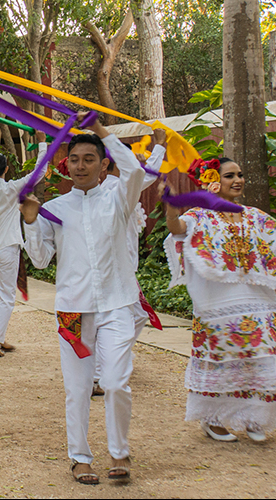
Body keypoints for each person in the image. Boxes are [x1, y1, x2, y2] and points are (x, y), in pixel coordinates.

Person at [22, 112, 145, 484]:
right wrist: (31, 221)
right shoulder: (56, 209)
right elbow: (40, 259)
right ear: (67, 164)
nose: (80, 165)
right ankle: (79, 458)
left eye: (89, 159)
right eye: (74, 159)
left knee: (115, 382)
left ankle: (119, 452)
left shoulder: (119, 199)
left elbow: (134, 171)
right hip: (73, 309)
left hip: (117, 304)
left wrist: (100, 131)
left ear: (104, 164)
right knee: (77, 389)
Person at [163, 157, 276, 443]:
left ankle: (254, 416)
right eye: (229, 176)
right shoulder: (200, 216)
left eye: (240, 174)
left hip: (256, 301)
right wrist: (171, 206)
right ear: (213, 181)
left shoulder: (256, 216)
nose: (238, 180)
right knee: (220, 358)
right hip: (216, 303)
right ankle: (212, 419)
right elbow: (176, 229)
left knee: (258, 358)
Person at [91, 129, 167, 396]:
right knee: (128, 317)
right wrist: (160, 146)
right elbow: (147, 174)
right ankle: (101, 371)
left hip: (117, 267)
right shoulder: (115, 188)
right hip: (115, 267)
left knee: (131, 316)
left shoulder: (114, 187)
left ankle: (106, 364)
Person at [0, 131, 48, 358]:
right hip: (8, 247)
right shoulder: (12, 188)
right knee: (7, 295)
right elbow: (39, 172)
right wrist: (42, 143)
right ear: (6, 169)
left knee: (3, 292)